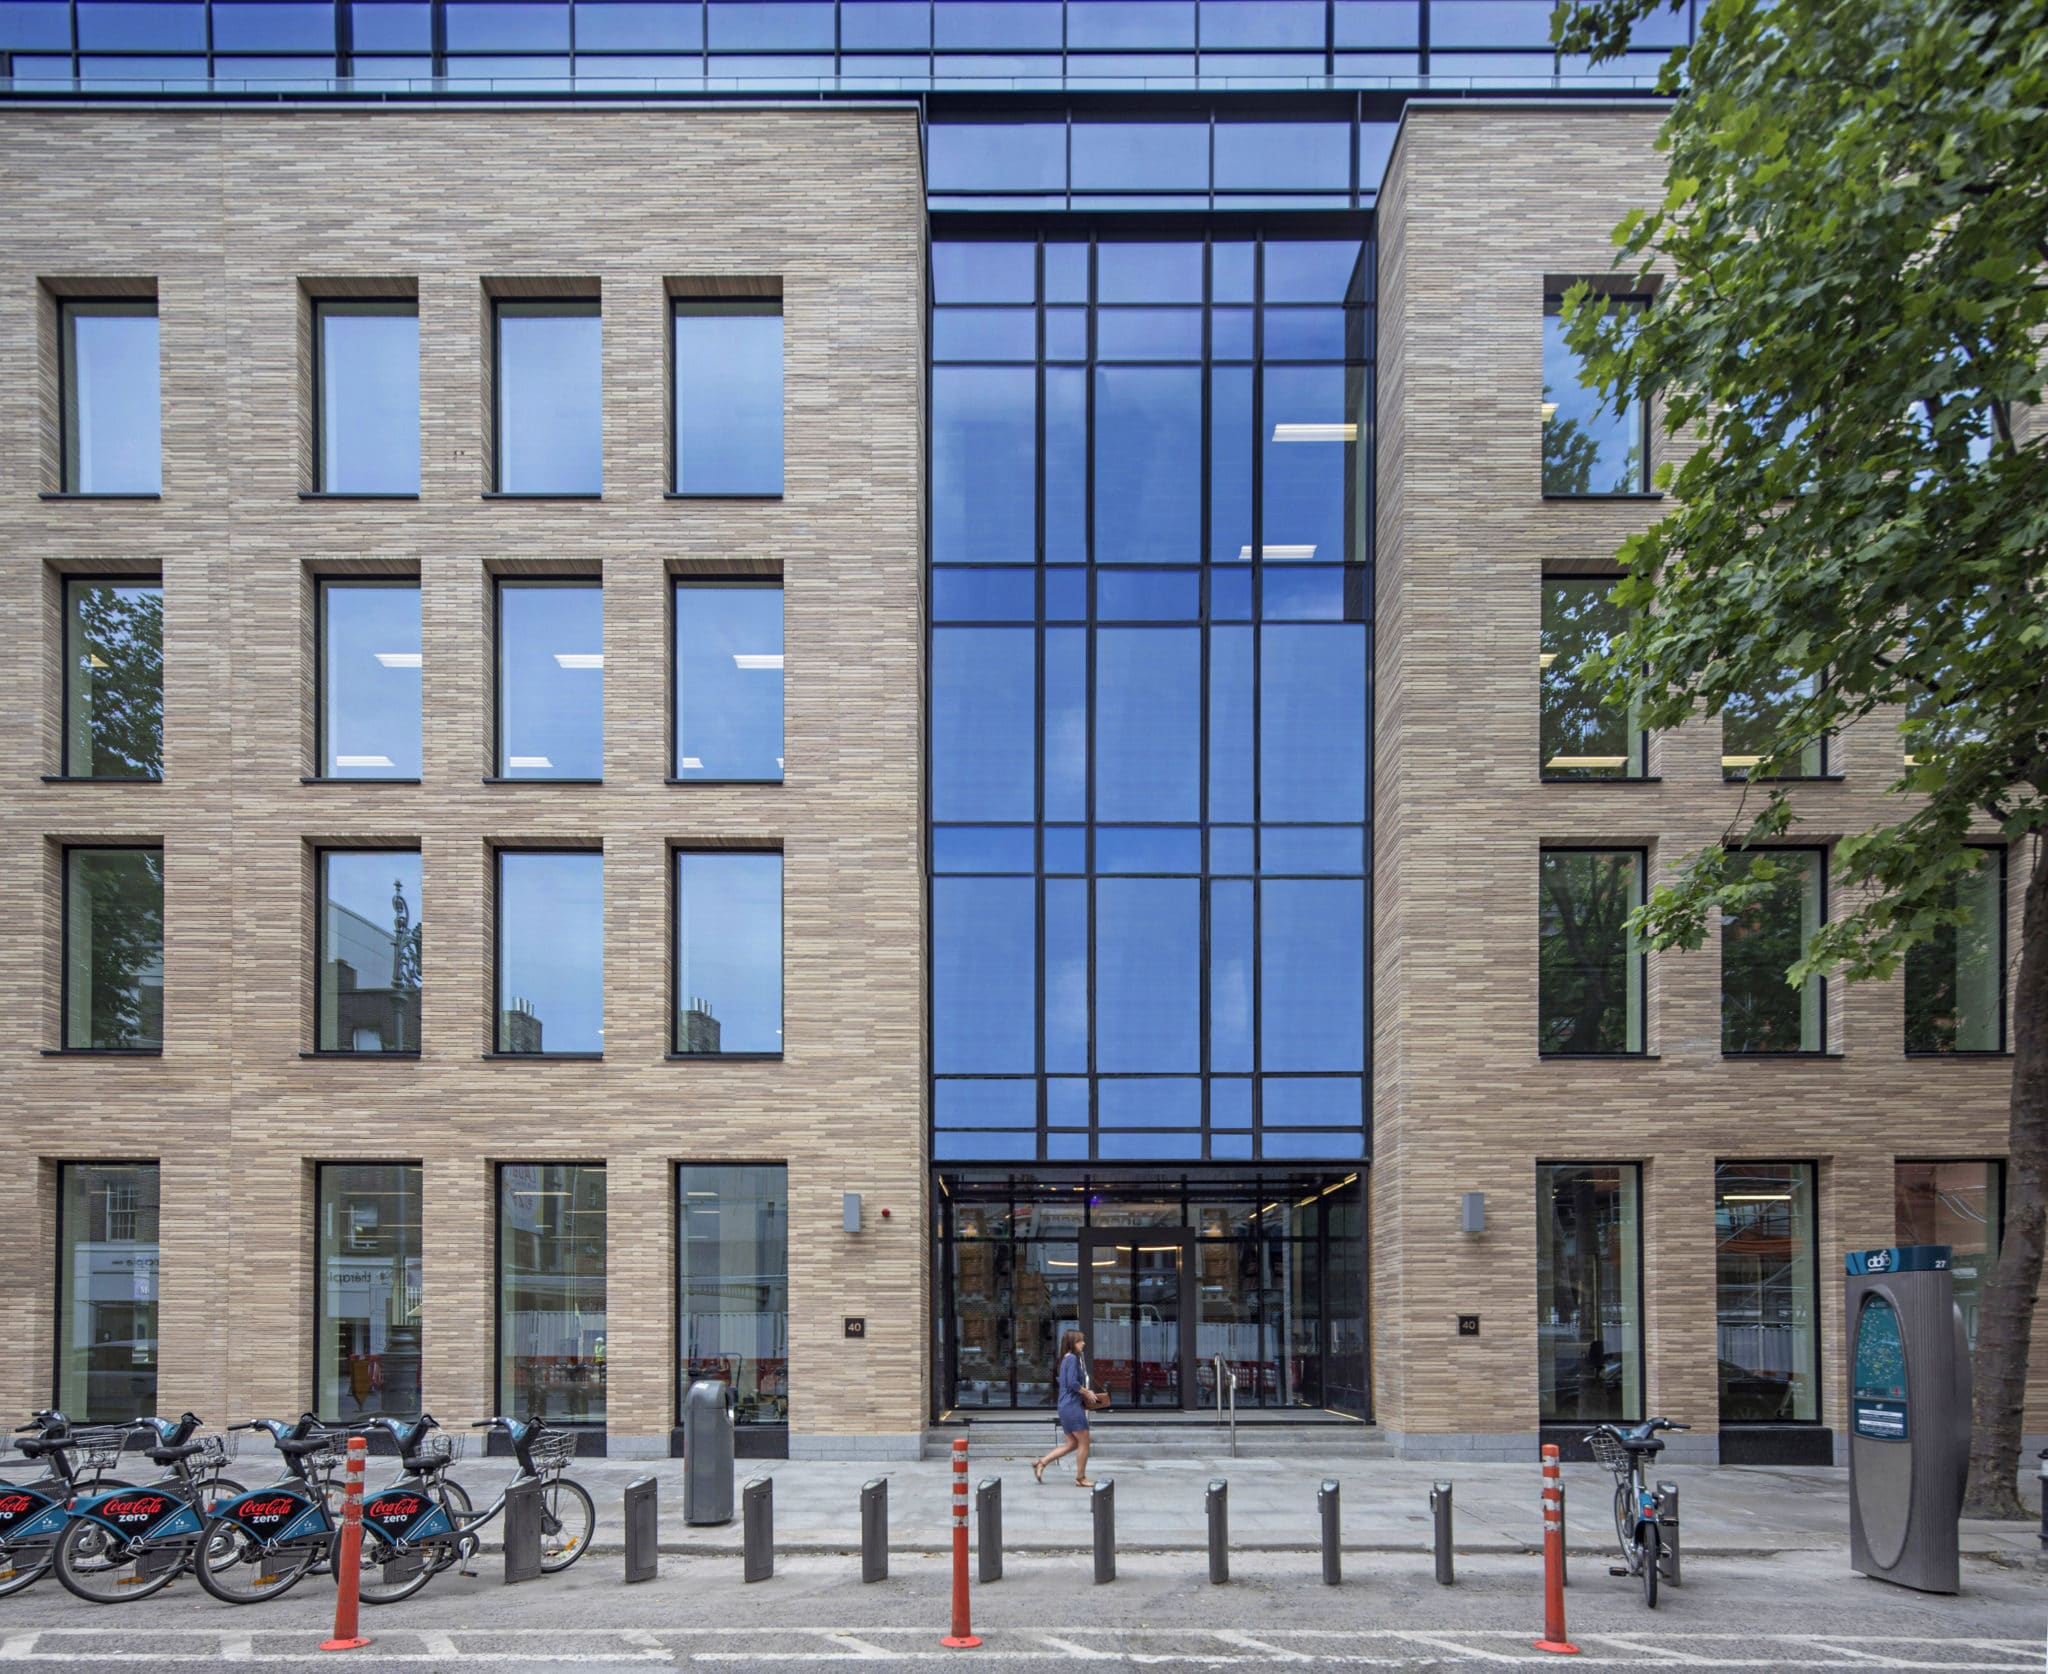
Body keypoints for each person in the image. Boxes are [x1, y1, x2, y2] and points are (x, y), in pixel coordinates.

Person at [1033, 1328, 1103, 1488]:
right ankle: (1080, 1478)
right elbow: (1072, 1383)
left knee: (1072, 1443)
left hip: (1065, 1406)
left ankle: (1041, 1462)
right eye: (1080, 1341)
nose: (1083, 1343)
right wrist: (1087, 1392)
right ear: (1072, 1343)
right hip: (1072, 1407)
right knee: (1084, 1441)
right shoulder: (1071, 1359)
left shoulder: (1065, 1359)